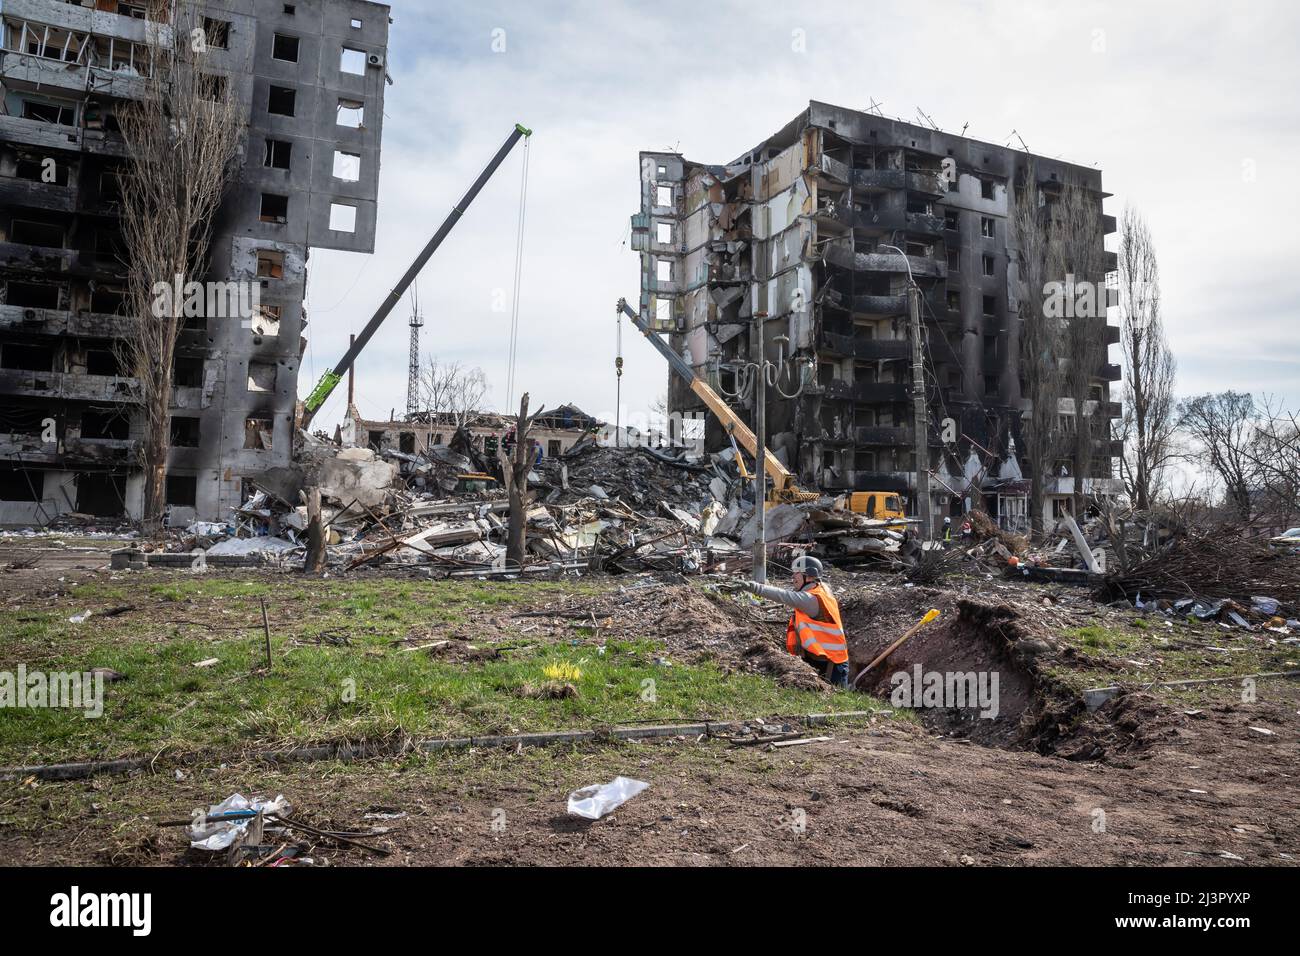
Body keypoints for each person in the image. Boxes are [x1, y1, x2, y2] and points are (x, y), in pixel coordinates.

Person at [734, 555, 849, 687]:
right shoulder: (819, 590)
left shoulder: (811, 599)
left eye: (797, 573)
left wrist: (753, 587)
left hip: (831, 665)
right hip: (821, 659)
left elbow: (783, 596)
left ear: (810, 576)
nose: (793, 577)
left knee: (834, 703)